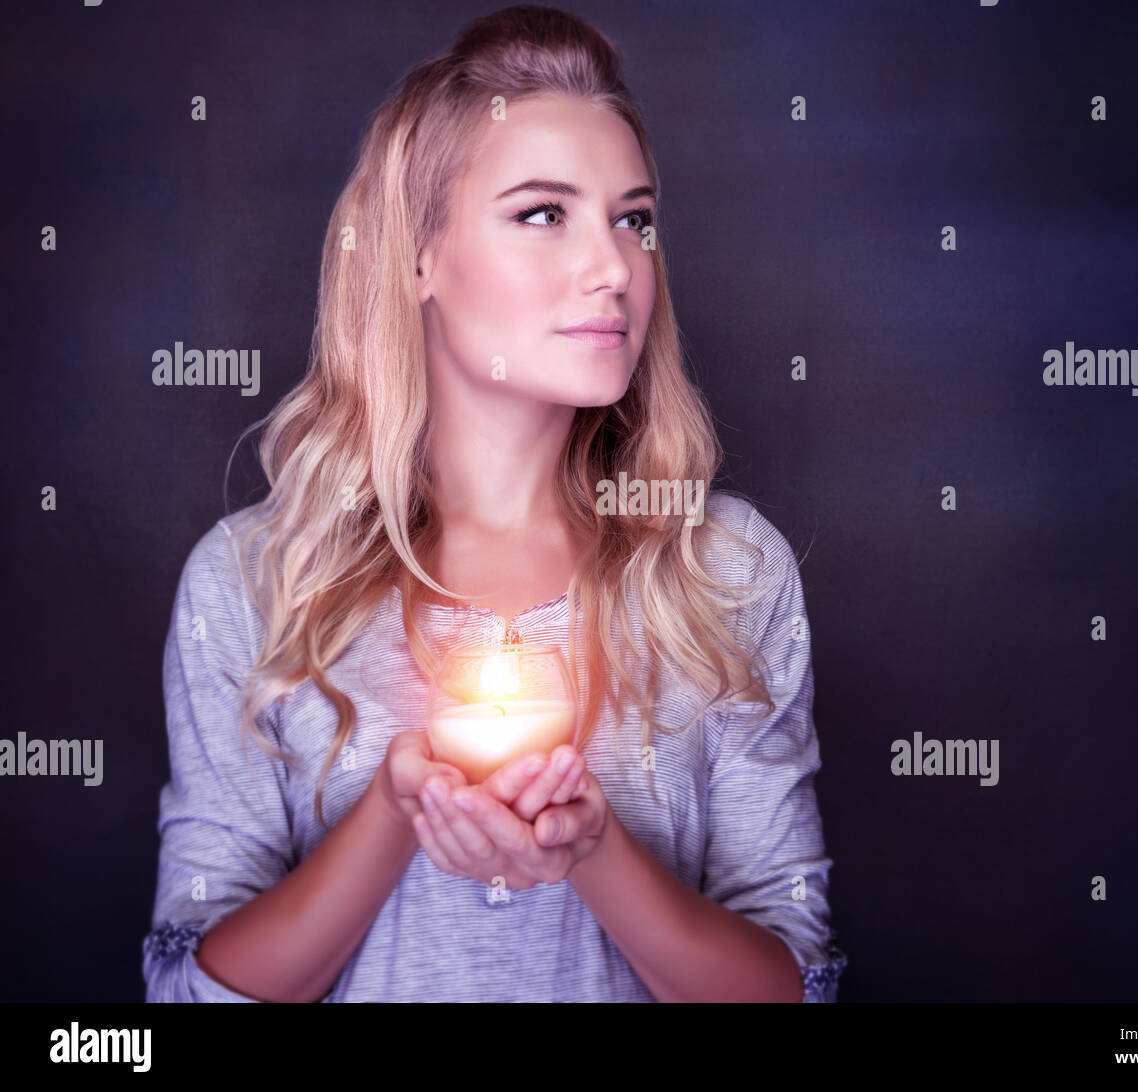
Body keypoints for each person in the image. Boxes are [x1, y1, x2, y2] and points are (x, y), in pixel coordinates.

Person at [143, 3, 847, 1003]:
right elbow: (182, 997)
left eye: (632, 219)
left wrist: (593, 849)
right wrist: (394, 812)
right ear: (418, 255)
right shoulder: (255, 580)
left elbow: (794, 982)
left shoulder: (725, 572)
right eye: (542, 212)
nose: (614, 268)